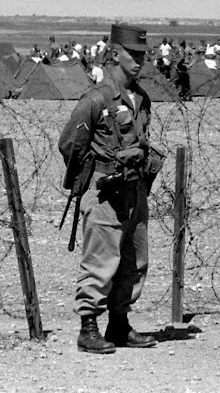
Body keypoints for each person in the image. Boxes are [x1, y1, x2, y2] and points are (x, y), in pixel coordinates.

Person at [58, 24, 162, 354]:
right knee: (100, 261)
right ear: (115, 54)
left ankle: (119, 325)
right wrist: (91, 176)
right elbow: (70, 144)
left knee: (134, 261)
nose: (140, 60)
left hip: (135, 192)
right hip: (105, 193)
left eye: (144, 54)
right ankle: (88, 328)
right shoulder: (96, 99)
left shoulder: (141, 99)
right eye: (134, 53)